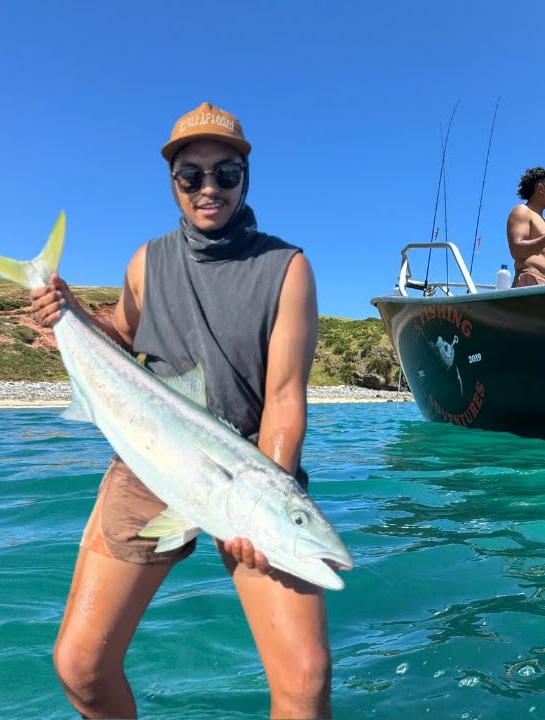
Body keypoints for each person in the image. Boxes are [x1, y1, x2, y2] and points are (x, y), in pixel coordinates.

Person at [29, 102, 332, 719]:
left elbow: (282, 400)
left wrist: (259, 506)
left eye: (225, 173)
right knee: (80, 667)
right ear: (173, 182)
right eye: (191, 176)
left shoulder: (287, 268)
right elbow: (122, 343)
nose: (208, 189)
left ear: (246, 177)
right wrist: (68, 318)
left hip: (248, 464)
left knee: (305, 682)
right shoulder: (146, 262)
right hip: (148, 464)